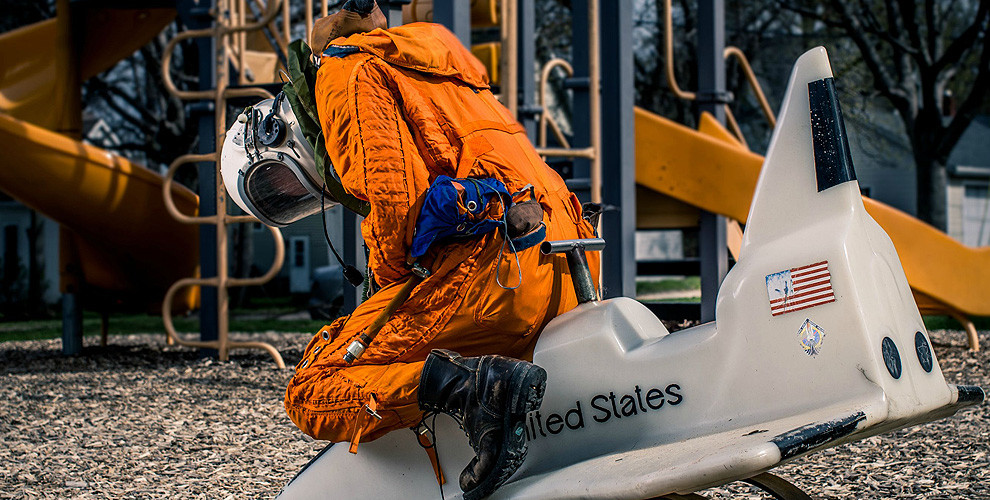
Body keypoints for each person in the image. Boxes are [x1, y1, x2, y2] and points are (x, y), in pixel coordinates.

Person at [283, 1, 599, 498]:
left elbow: (391, 196)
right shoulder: (441, 60)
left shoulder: (348, 67)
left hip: (487, 275)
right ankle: (489, 392)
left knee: (312, 387)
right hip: (559, 257)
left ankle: (476, 392)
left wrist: (390, 284)